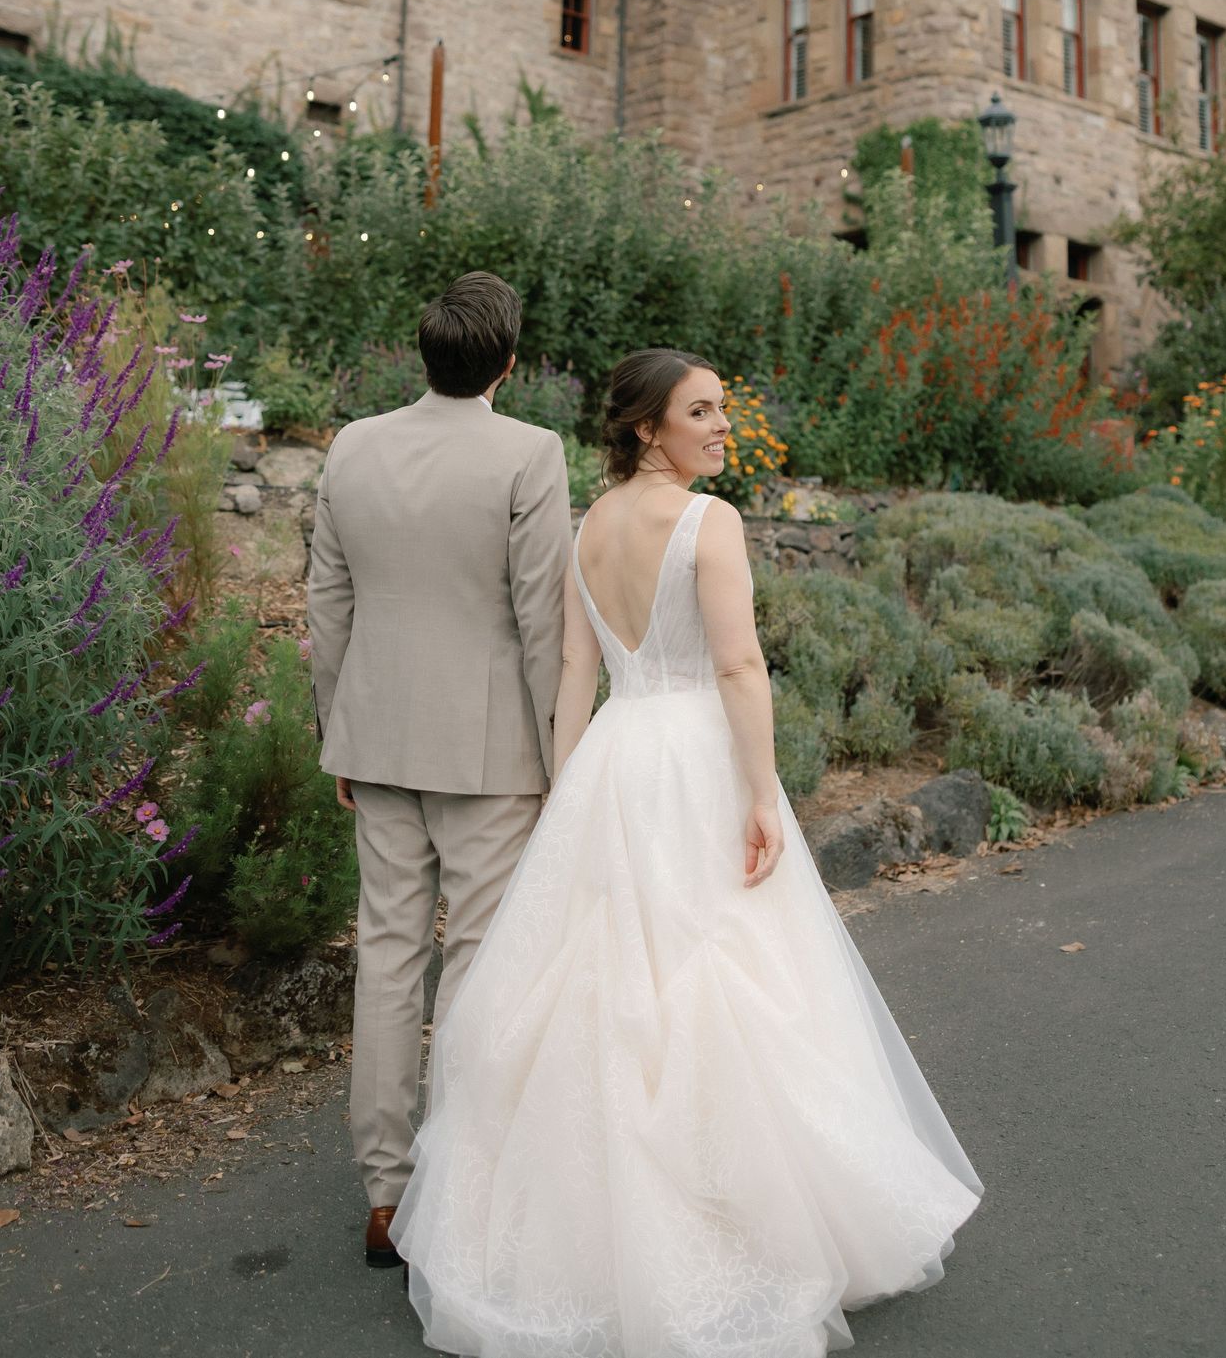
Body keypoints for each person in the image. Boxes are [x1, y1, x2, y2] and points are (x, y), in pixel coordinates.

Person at [389, 346, 983, 1356]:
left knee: (602, 986)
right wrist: (761, 791)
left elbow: (576, 670)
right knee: (735, 980)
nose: (722, 426)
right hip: (694, 756)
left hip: (617, 758)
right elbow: (740, 661)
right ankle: (732, 1231)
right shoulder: (711, 521)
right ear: (645, 428)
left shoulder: (589, 526)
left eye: (722, 409)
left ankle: (590, 1236)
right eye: (700, 411)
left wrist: (569, 789)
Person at [306, 272, 570, 1271]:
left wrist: (338, 725)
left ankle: (386, 1194)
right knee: (476, 961)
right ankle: (456, 1184)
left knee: (387, 954)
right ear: (508, 361)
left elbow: (326, 602)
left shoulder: (352, 444)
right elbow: (543, 618)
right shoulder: (529, 453)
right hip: (492, 751)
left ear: (425, 354)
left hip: (376, 739)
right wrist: (562, 759)